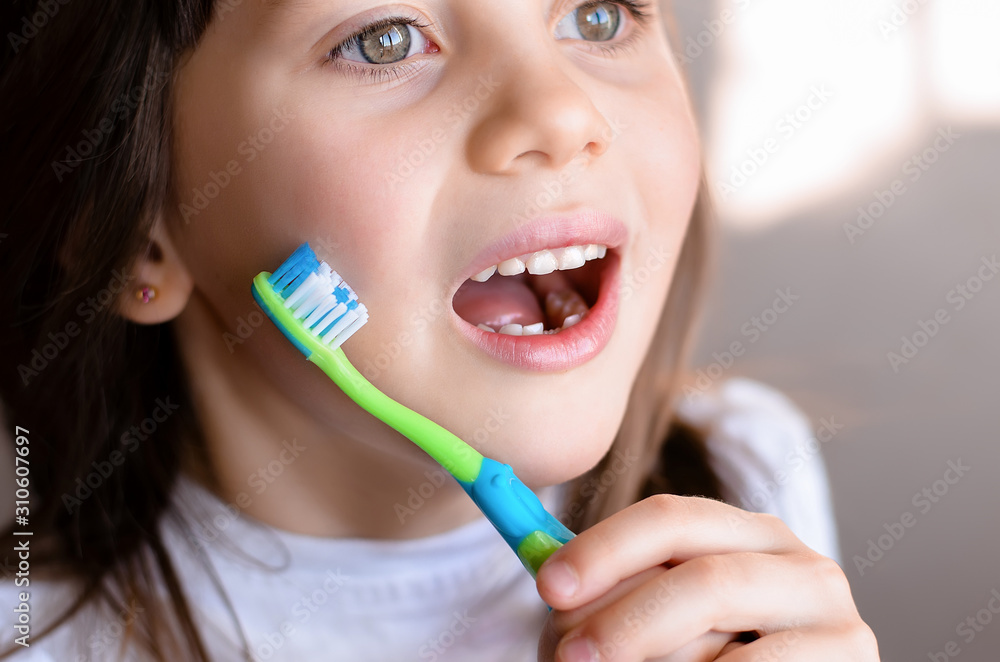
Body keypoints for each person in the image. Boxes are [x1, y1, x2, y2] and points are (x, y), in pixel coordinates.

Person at [0, 0, 879, 660]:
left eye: (598, 13)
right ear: (132, 229)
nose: (562, 114)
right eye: (383, 39)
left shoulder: (747, 474)